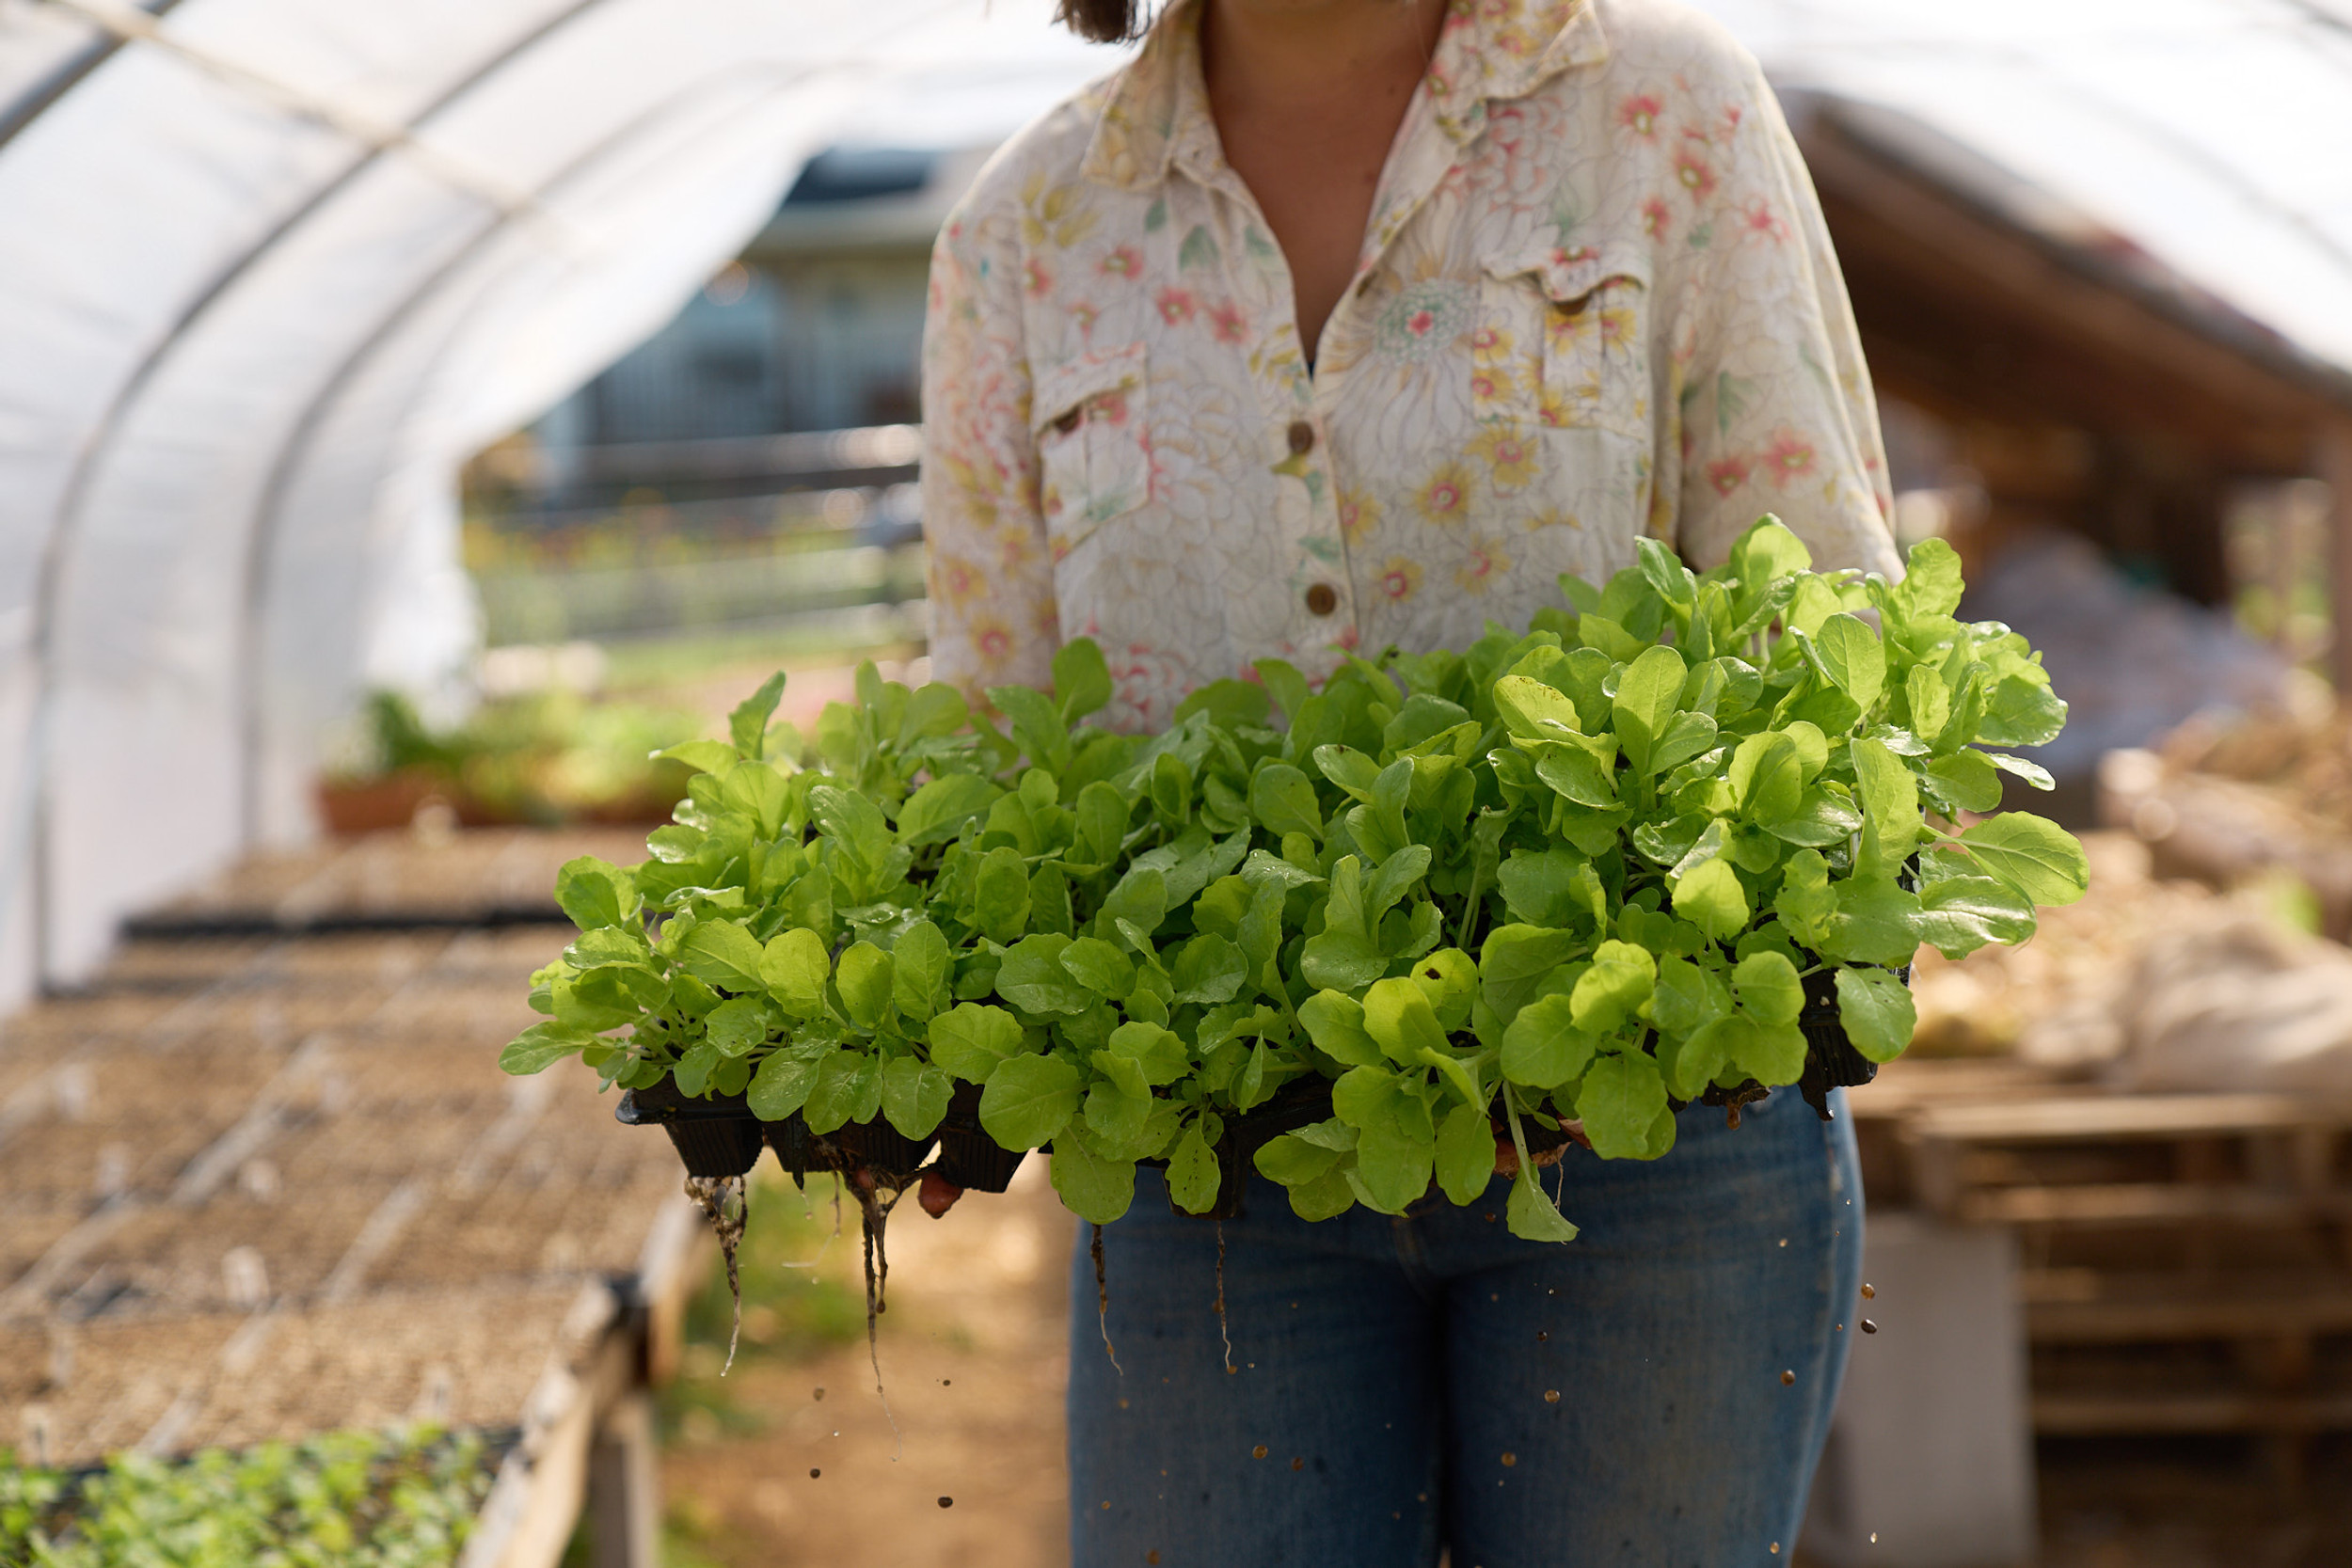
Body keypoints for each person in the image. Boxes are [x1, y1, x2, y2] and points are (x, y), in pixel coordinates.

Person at [916, 0, 1899, 1560]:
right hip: (1218, 1164)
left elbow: (1824, 613)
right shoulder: (1030, 227)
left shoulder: (1661, 113)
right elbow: (993, 729)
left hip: (1655, 1129)